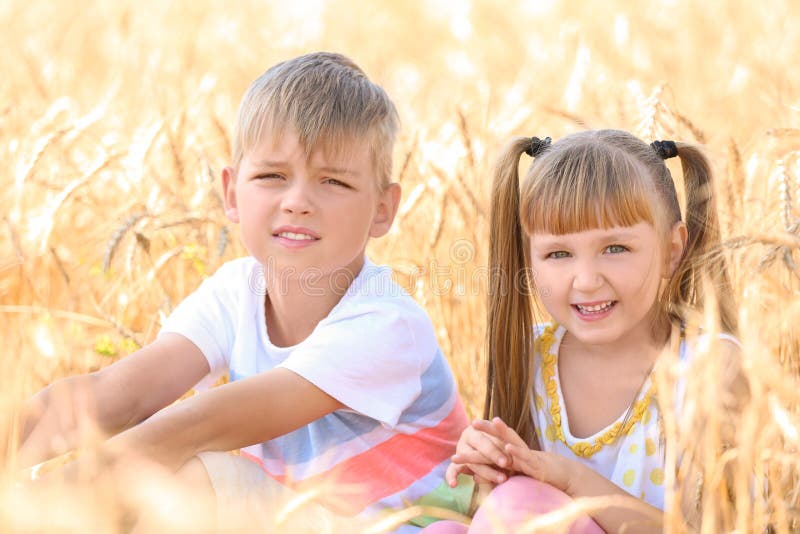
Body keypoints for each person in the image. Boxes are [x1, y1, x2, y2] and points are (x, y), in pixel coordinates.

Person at [13, 52, 469, 532]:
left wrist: (37, 508)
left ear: (383, 208)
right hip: (297, 518)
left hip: (397, 527)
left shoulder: (387, 325)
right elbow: (118, 396)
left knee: (190, 481)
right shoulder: (236, 291)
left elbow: (197, 425)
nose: (297, 201)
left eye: (333, 181)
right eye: (272, 176)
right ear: (231, 193)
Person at [422, 131, 742, 533]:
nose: (587, 281)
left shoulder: (709, 369)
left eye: (615, 249)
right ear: (529, 261)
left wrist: (571, 481)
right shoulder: (530, 358)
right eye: (559, 254)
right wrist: (490, 475)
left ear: (671, 250)